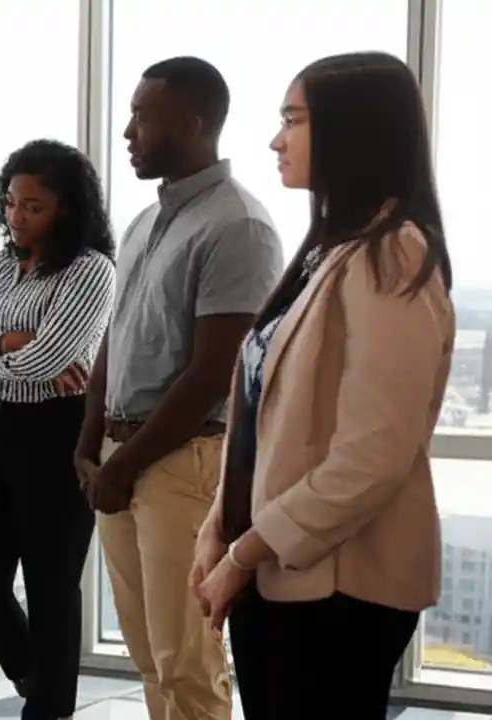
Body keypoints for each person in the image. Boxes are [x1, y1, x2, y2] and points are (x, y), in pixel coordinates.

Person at [193, 52, 454, 719]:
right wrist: (219, 526)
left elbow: (372, 456)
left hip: (338, 590)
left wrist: (245, 552)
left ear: (352, 130)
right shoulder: (327, 252)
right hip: (285, 575)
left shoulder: (392, 252)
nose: (276, 139)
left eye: (293, 120)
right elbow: (268, 419)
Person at [74, 56, 284, 720]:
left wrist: (124, 464)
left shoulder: (238, 226)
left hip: (181, 465)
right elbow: (115, 341)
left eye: (142, 114)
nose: (129, 130)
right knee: (148, 656)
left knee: (186, 663)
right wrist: (89, 448)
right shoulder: (144, 224)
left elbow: (215, 372)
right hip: (121, 460)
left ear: (192, 124)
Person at [0, 139, 116, 720]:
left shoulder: (90, 271)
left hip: (56, 433)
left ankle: (49, 708)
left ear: (66, 208)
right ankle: (34, 675)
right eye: (12, 202)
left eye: (33, 205)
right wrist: (6, 342)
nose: (17, 216)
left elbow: (50, 360)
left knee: (50, 585)